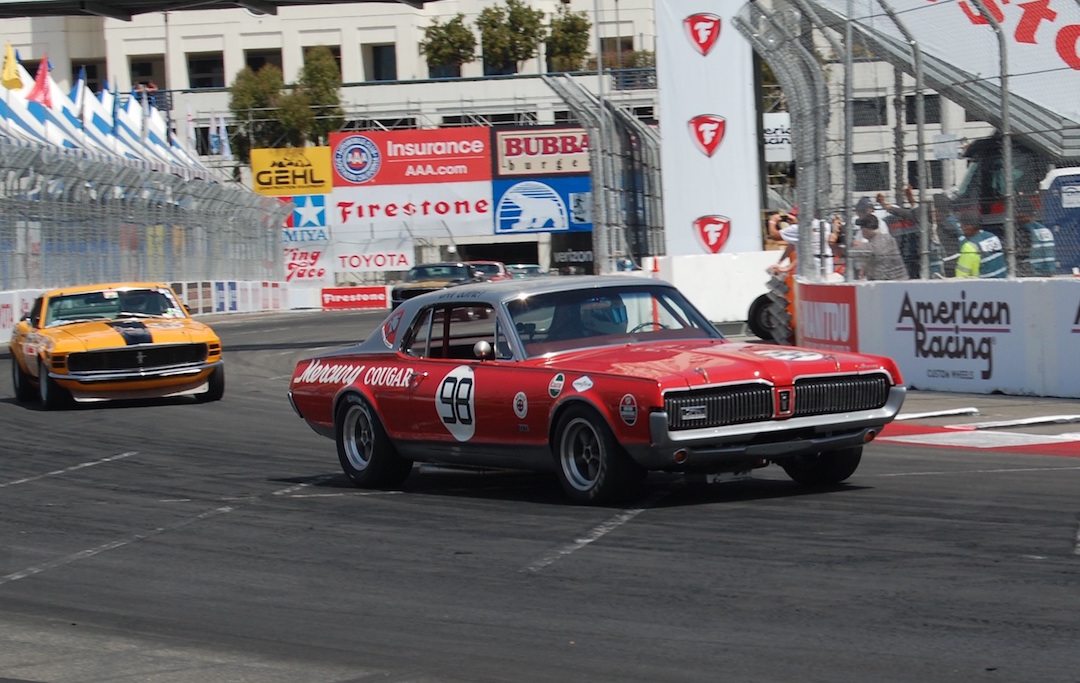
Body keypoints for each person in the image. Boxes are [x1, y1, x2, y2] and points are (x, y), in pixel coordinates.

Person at [878, 186, 921, 279]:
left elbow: (913, 213)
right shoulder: (887, 222)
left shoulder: (912, 219)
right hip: (899, 257)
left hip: (914, 256)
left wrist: (886, 206)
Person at [853, 214, 909, 280]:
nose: (861, 230)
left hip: (896, 283)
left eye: (862, 227)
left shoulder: (885, 239)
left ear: (866, 229)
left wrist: (854, 247)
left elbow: (874, 250)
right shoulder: (876, 241)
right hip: (885, 283)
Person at [954, 211, 1006, 279]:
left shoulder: (969, 246)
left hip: (983, 284)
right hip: (1003, 280)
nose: (961, 228)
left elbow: (961, 275)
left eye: (962, 225)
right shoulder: (992, 236)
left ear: (969, 226)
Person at [1016, 202, 1056, 276]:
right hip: (1048, 270)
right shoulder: (1044, 229)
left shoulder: (1024, 230)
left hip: (1031, 271)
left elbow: (1021, 252)